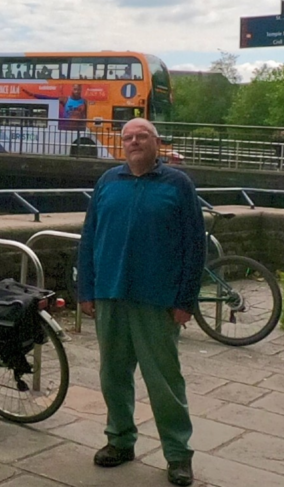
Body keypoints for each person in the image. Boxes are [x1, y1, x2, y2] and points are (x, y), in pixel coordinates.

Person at [77, 118, 205, 487]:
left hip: (157, 298)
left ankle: (178, 454)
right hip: (110, 293)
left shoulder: (177, 184)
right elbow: (89, 238)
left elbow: (194, 246)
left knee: (164, 381)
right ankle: (119, 440)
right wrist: (86, 290)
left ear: (156, 142)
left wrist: (186, 300)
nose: (134, 141)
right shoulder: (108, 182)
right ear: (122, 145)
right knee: (113, 375)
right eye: (128, 137)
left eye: (142, 136)